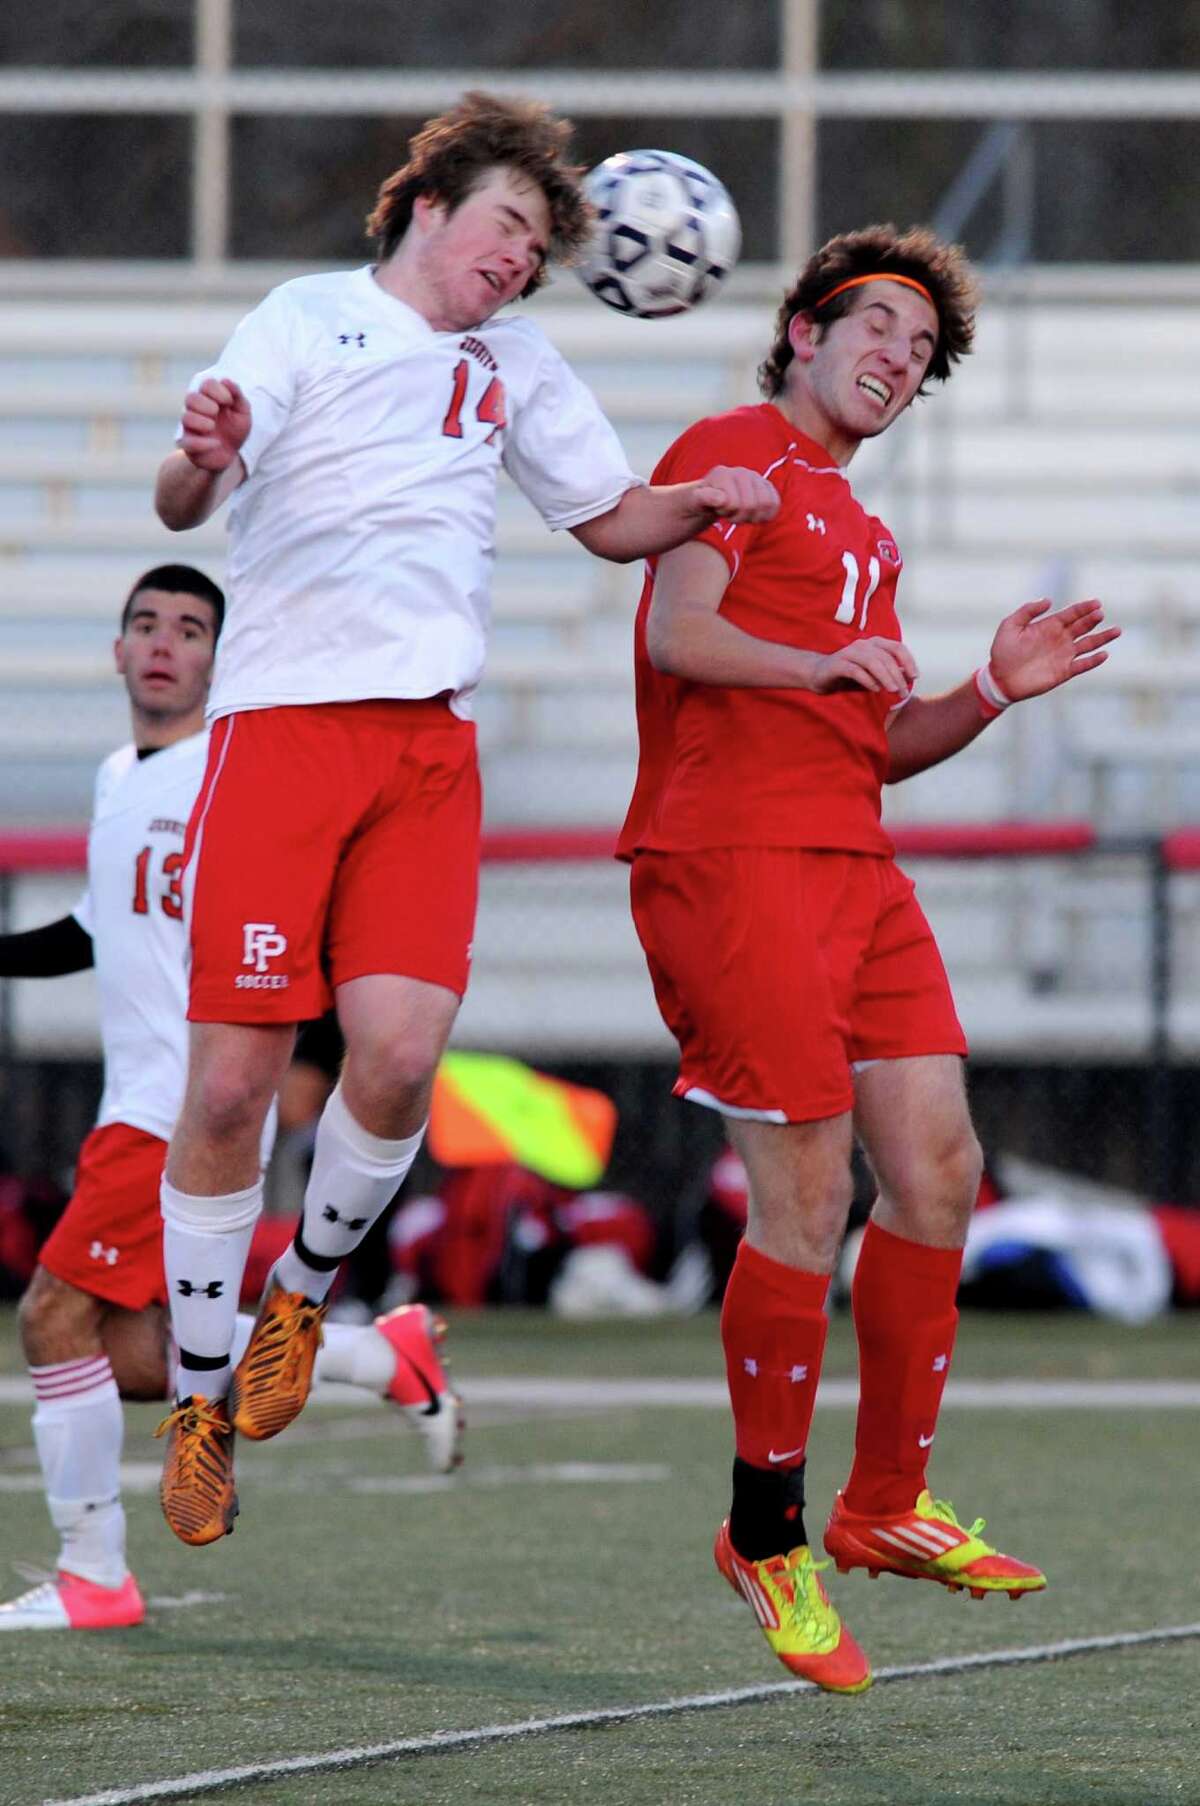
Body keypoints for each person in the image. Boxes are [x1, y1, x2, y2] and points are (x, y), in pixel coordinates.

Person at [149, 90, 777, 1548]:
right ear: (427, 206)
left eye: (538, 250)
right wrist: (202, 442)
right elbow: (188, 497)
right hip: (283, 735)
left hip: (427, 747)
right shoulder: (307, 318)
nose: (516, 261)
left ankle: (296, 1309)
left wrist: (700, 500)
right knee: (235, 1089)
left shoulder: (518, 361)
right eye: (505, 227)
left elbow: (608, 512)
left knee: (404, 1050)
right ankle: (195, 1406)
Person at [616, 224, 1120, 1695]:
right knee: (811, 1190)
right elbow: (681, 631)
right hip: (732, 859)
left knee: (943, 1169)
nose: (898, 358)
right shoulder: (734, 451)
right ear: (801, 332)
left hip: (849, 860)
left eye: (921, 349)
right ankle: (765, 1527)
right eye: (876, 327)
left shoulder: (862, 525)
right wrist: (817, 665)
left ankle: (883, 1504)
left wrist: (985, 691)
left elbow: (871, 741)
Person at [0, 566, 460, 1633]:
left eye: (191, 628)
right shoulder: (121, 773)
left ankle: (93, 1577)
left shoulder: (237, 768)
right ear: (116, 652)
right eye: (145, 626)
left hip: (182, 1110)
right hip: (133, 1102)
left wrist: (316, 1054)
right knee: (120, 1351)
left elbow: (331, 922)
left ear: (223, 654)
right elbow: (90, 928)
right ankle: (376, 1355)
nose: (163, 644)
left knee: (51, 1315)